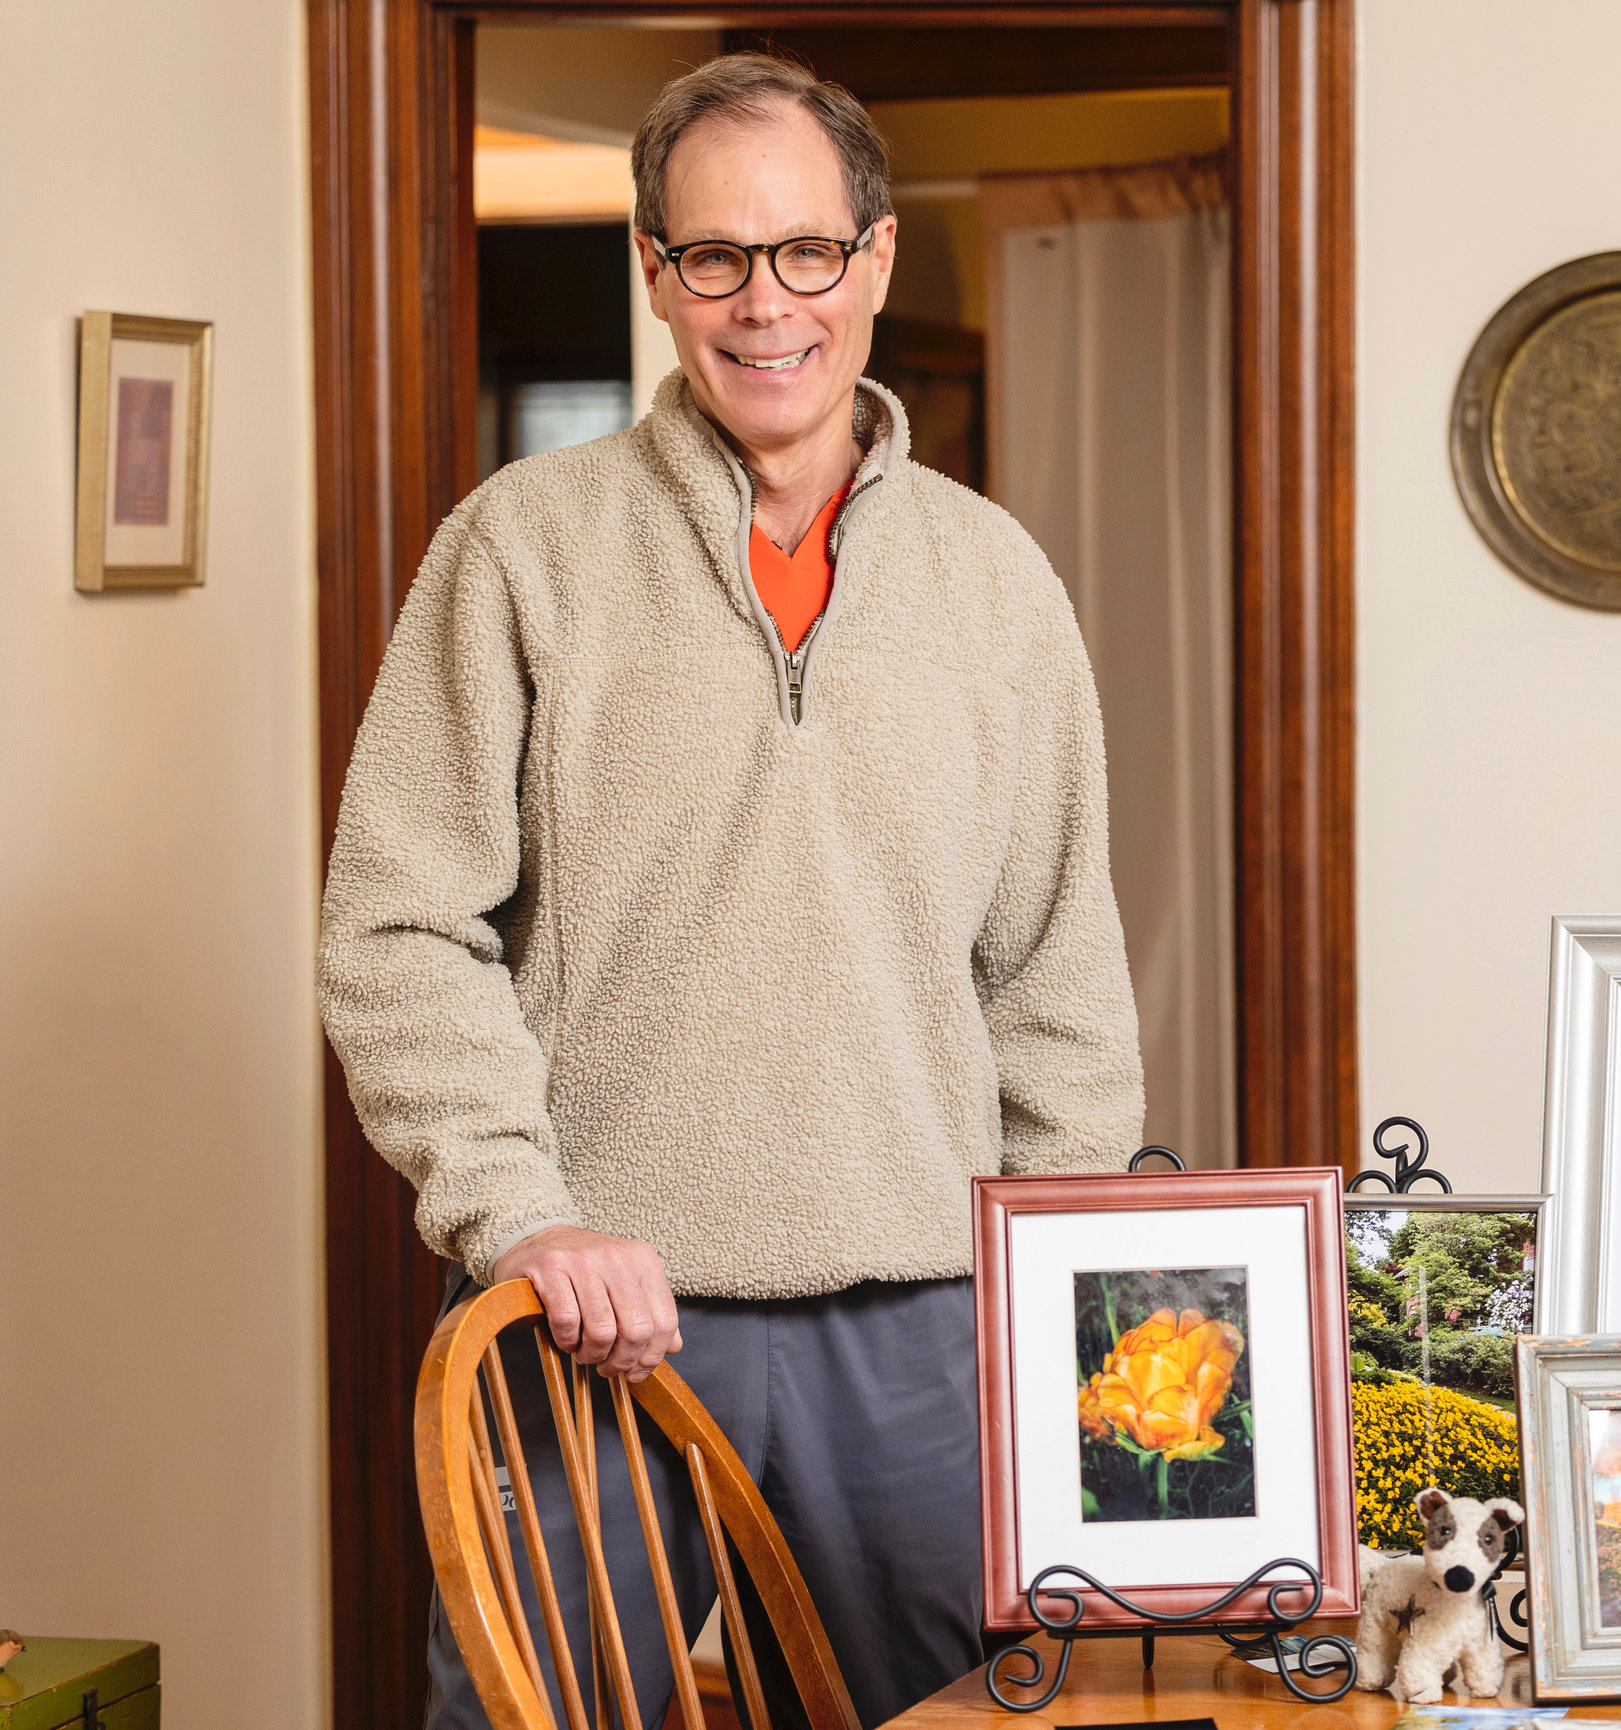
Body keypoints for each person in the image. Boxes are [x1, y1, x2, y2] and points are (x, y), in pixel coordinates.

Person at [317, 51, 1144, 1728]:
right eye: (714, 257)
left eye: (806, 252)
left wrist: (1059, 1290)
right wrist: (520, 1213)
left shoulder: (997, 582)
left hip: (927, 1332)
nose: (765, 304)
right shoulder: (519, 547)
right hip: (591, 1313)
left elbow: (1053, 977)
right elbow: (397, 929)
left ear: (875, 259)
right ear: (656, 272)